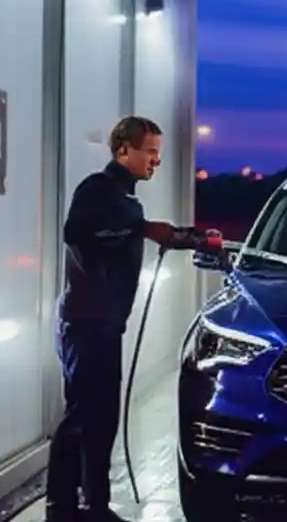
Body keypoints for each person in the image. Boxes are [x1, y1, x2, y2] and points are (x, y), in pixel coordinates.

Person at [46, 115, 221, 522]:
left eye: (158, 154)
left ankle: (92, 507)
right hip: (85, 323)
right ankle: (63, 509)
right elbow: (79, 233)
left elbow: (137, 230)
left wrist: (191, 238)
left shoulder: (124, 199)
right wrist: (141, 230)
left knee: (100, 418)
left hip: (104, 325)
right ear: (124, 149)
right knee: (84, 416)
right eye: (151, 153)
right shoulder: (97, 189)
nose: (156, 162)